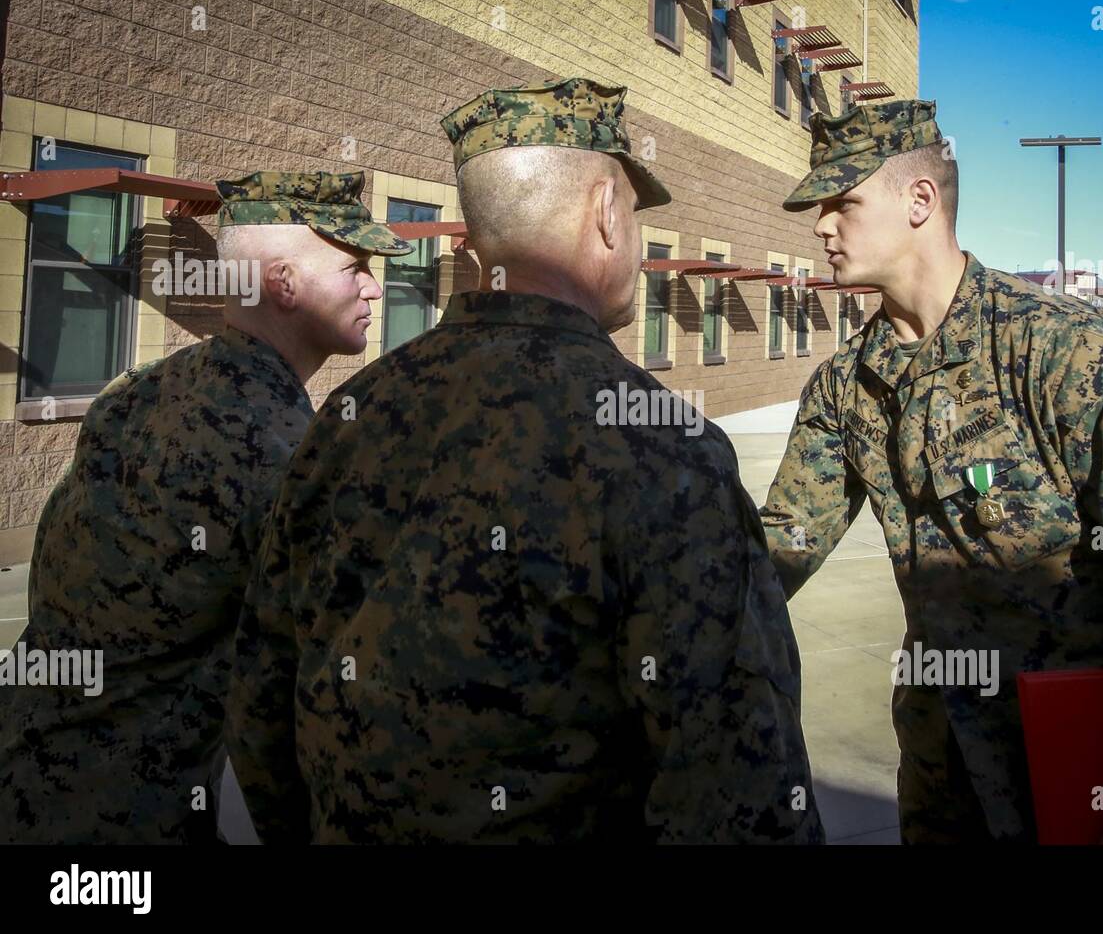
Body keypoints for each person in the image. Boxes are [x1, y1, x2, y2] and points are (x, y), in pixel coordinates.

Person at [226, 78, 824, 844]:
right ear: (607, 213)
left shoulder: (346, 419)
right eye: (637, 218)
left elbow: (261, 698)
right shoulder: (660, 447)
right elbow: (740, 788)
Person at [760, 98, 1103, 843]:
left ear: (920, 200)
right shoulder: (846, 386)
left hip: (1088, 764)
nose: (822, 225)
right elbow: (780, 547)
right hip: (944, 769)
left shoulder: (1058, 349)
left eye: (843, 201)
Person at [0, 171, 409, 842]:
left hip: (29, 773)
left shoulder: (136, 390)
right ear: (284, 284)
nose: (374, 285)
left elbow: (56, 568)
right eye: (354, 267)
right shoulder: (285, 452)